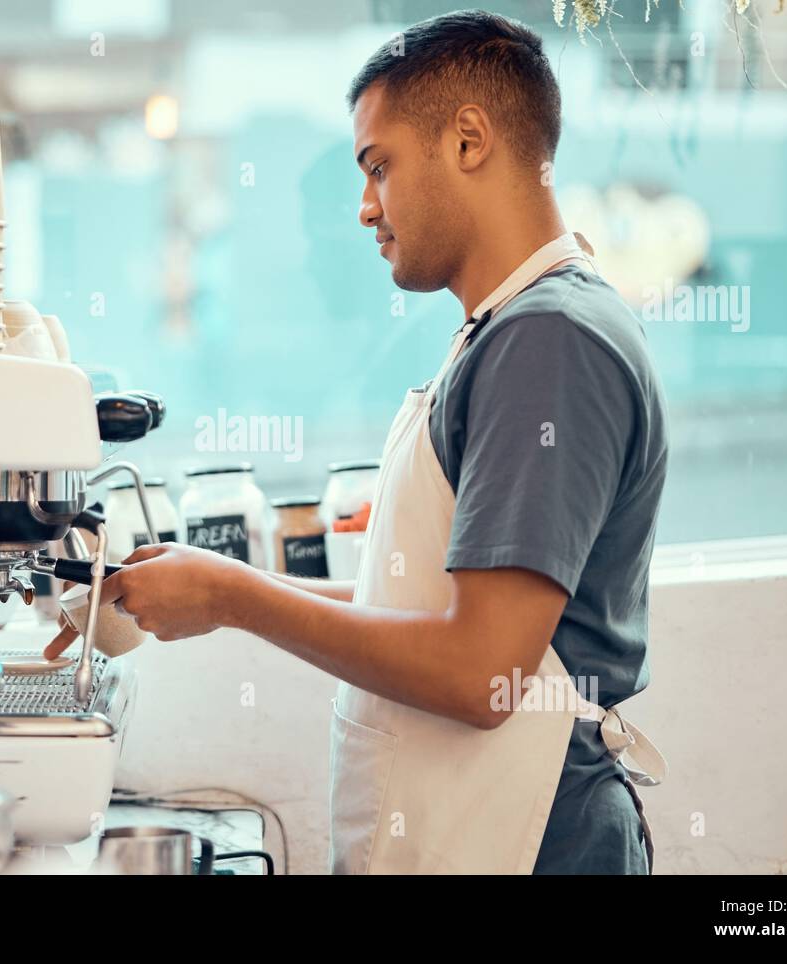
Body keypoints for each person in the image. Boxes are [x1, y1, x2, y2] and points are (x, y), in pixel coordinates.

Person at [46, 9, 669, 874]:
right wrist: (219, 583)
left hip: (534, 842)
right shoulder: (505, 333)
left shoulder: (551, 342)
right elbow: (433, 619)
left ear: (469, 139)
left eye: (379, 166)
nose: (366, 206)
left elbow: (478, 673)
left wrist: (234, 599)